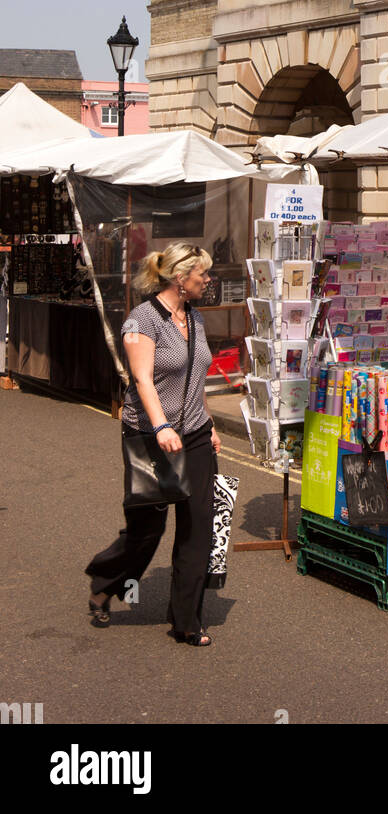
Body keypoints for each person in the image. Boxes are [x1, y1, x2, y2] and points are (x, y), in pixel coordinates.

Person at [85, 244, 221, 647]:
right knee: (147, 529)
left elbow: (195, 379)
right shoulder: (142, 319)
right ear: (181, 278)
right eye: (203, 274)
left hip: (193, 434)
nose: (208, 280)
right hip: (149, 436)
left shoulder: (194, 318)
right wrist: (161, 426)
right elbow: (142, 379)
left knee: (198, 527)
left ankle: (186, 621)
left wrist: (209, 424)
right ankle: (104, 583)